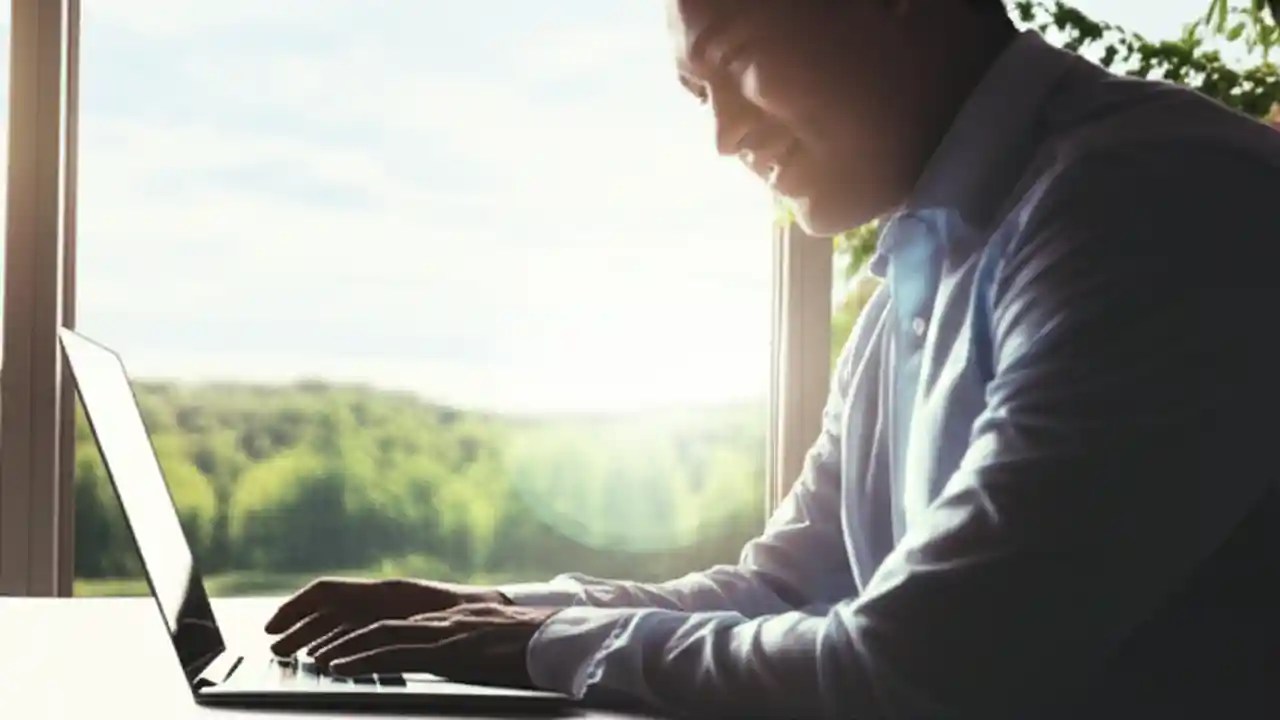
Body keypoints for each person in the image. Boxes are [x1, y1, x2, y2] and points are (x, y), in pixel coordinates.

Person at [266, 1, 1280, 716]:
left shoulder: (1144, 204)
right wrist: (509, 614)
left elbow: (917, 673)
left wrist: (539, 645)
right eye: (692, 88)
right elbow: (789, 590)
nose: (720, 137)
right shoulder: (928, 262)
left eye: (738, 56)